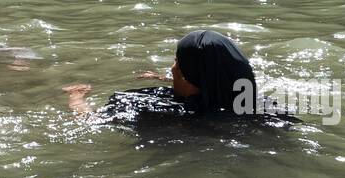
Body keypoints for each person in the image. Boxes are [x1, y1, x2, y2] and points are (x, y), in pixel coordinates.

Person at [63, 29, 297, 124]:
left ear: (187, 77)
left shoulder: (147, 108)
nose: (173, 67)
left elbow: (89, 122)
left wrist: (76, 97)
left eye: (178, 62)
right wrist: (171, 80)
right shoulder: (267, 111)